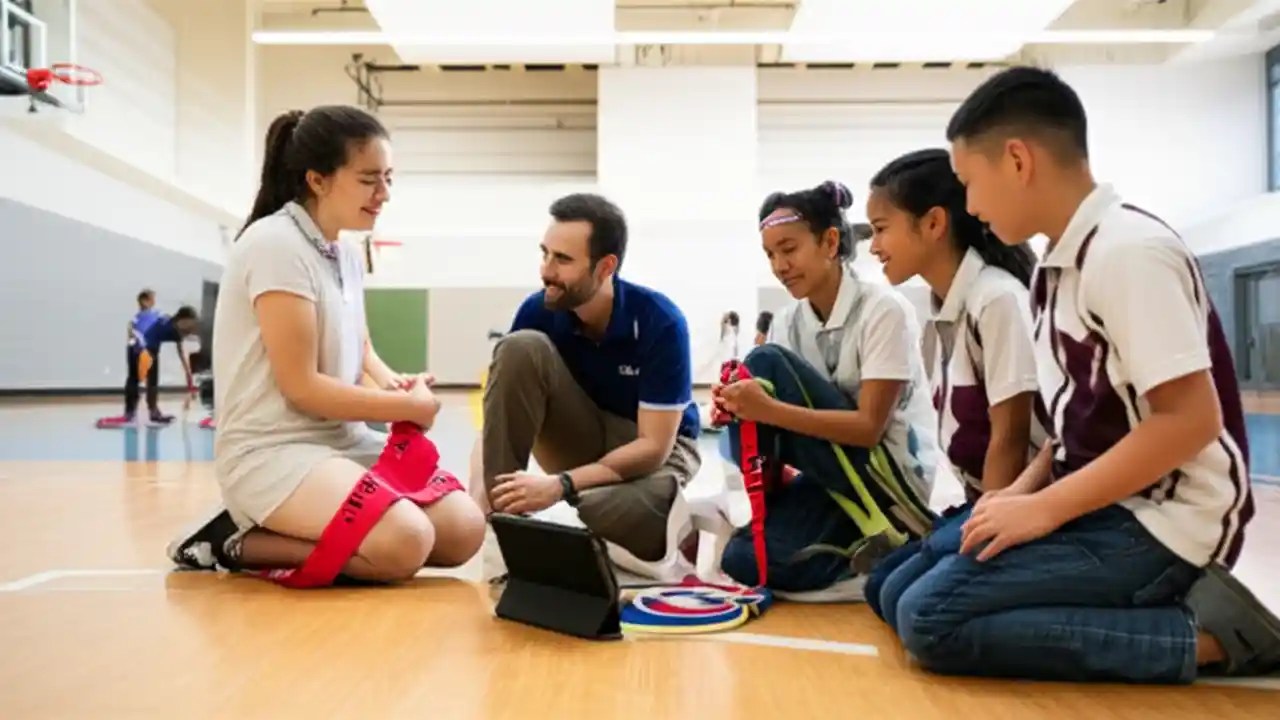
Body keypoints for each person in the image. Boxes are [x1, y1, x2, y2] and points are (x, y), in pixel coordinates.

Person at [892, 65, 1280, 682]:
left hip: (1166, 518)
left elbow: (1191, 420)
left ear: (1017, 160)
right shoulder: (1056, 268)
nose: (969, 205)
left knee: (930, 619)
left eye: (969, 182)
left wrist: (1043, 512)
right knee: (898, 591)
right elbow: (1078, 425)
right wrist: (1020, 493)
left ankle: (1208, 636)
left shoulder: (1128, 251)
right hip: (1100, 502)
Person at [166, 105, 485, 583]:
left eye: (389, 178)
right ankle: (232, 540)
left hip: (339, 441)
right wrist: (405, 410)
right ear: (317, 180)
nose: (384, 194)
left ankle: (339, 531)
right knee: (405, 543)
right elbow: (302, 388)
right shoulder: (276, 244)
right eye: (369, 179)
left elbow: (361, 346)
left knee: (462, 530)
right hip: (272, 452)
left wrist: (395, 383)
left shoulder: (346, 252)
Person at [712, 180, 940, 597]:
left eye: (789, 249)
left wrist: (766, 409)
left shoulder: (883, 310)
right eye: (770, 255)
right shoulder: (787, 322)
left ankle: (899, 526)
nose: (780, 266)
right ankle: (874, 553)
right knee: (743, 559)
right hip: (827, 476)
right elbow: (778, 433)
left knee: (763, 364)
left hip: (889, 479)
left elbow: (869, 428)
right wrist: (739, 410)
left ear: (830, 241)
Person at [856, 148, 1049, 626]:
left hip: (1020, 505)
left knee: (918, 611)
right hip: (979, 500)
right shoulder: (944, 308)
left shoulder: (998, 299)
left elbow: (1009, 437)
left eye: (881, 229)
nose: (874, 246)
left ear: (933, 223)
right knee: (883, 588)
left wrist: (983, 543)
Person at [477, 192, 702, 571]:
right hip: (582, 435)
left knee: (604, 510)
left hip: (653, 448)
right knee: (518, 347)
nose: (547, 271)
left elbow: (653, 446)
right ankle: (506, 520)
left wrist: (561, 486)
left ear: (605, 266)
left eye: (562, 260)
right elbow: (498, 416)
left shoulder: (659, 321)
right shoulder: (538, 310)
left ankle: (668, 516)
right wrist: (482, 494)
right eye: (545, 253)